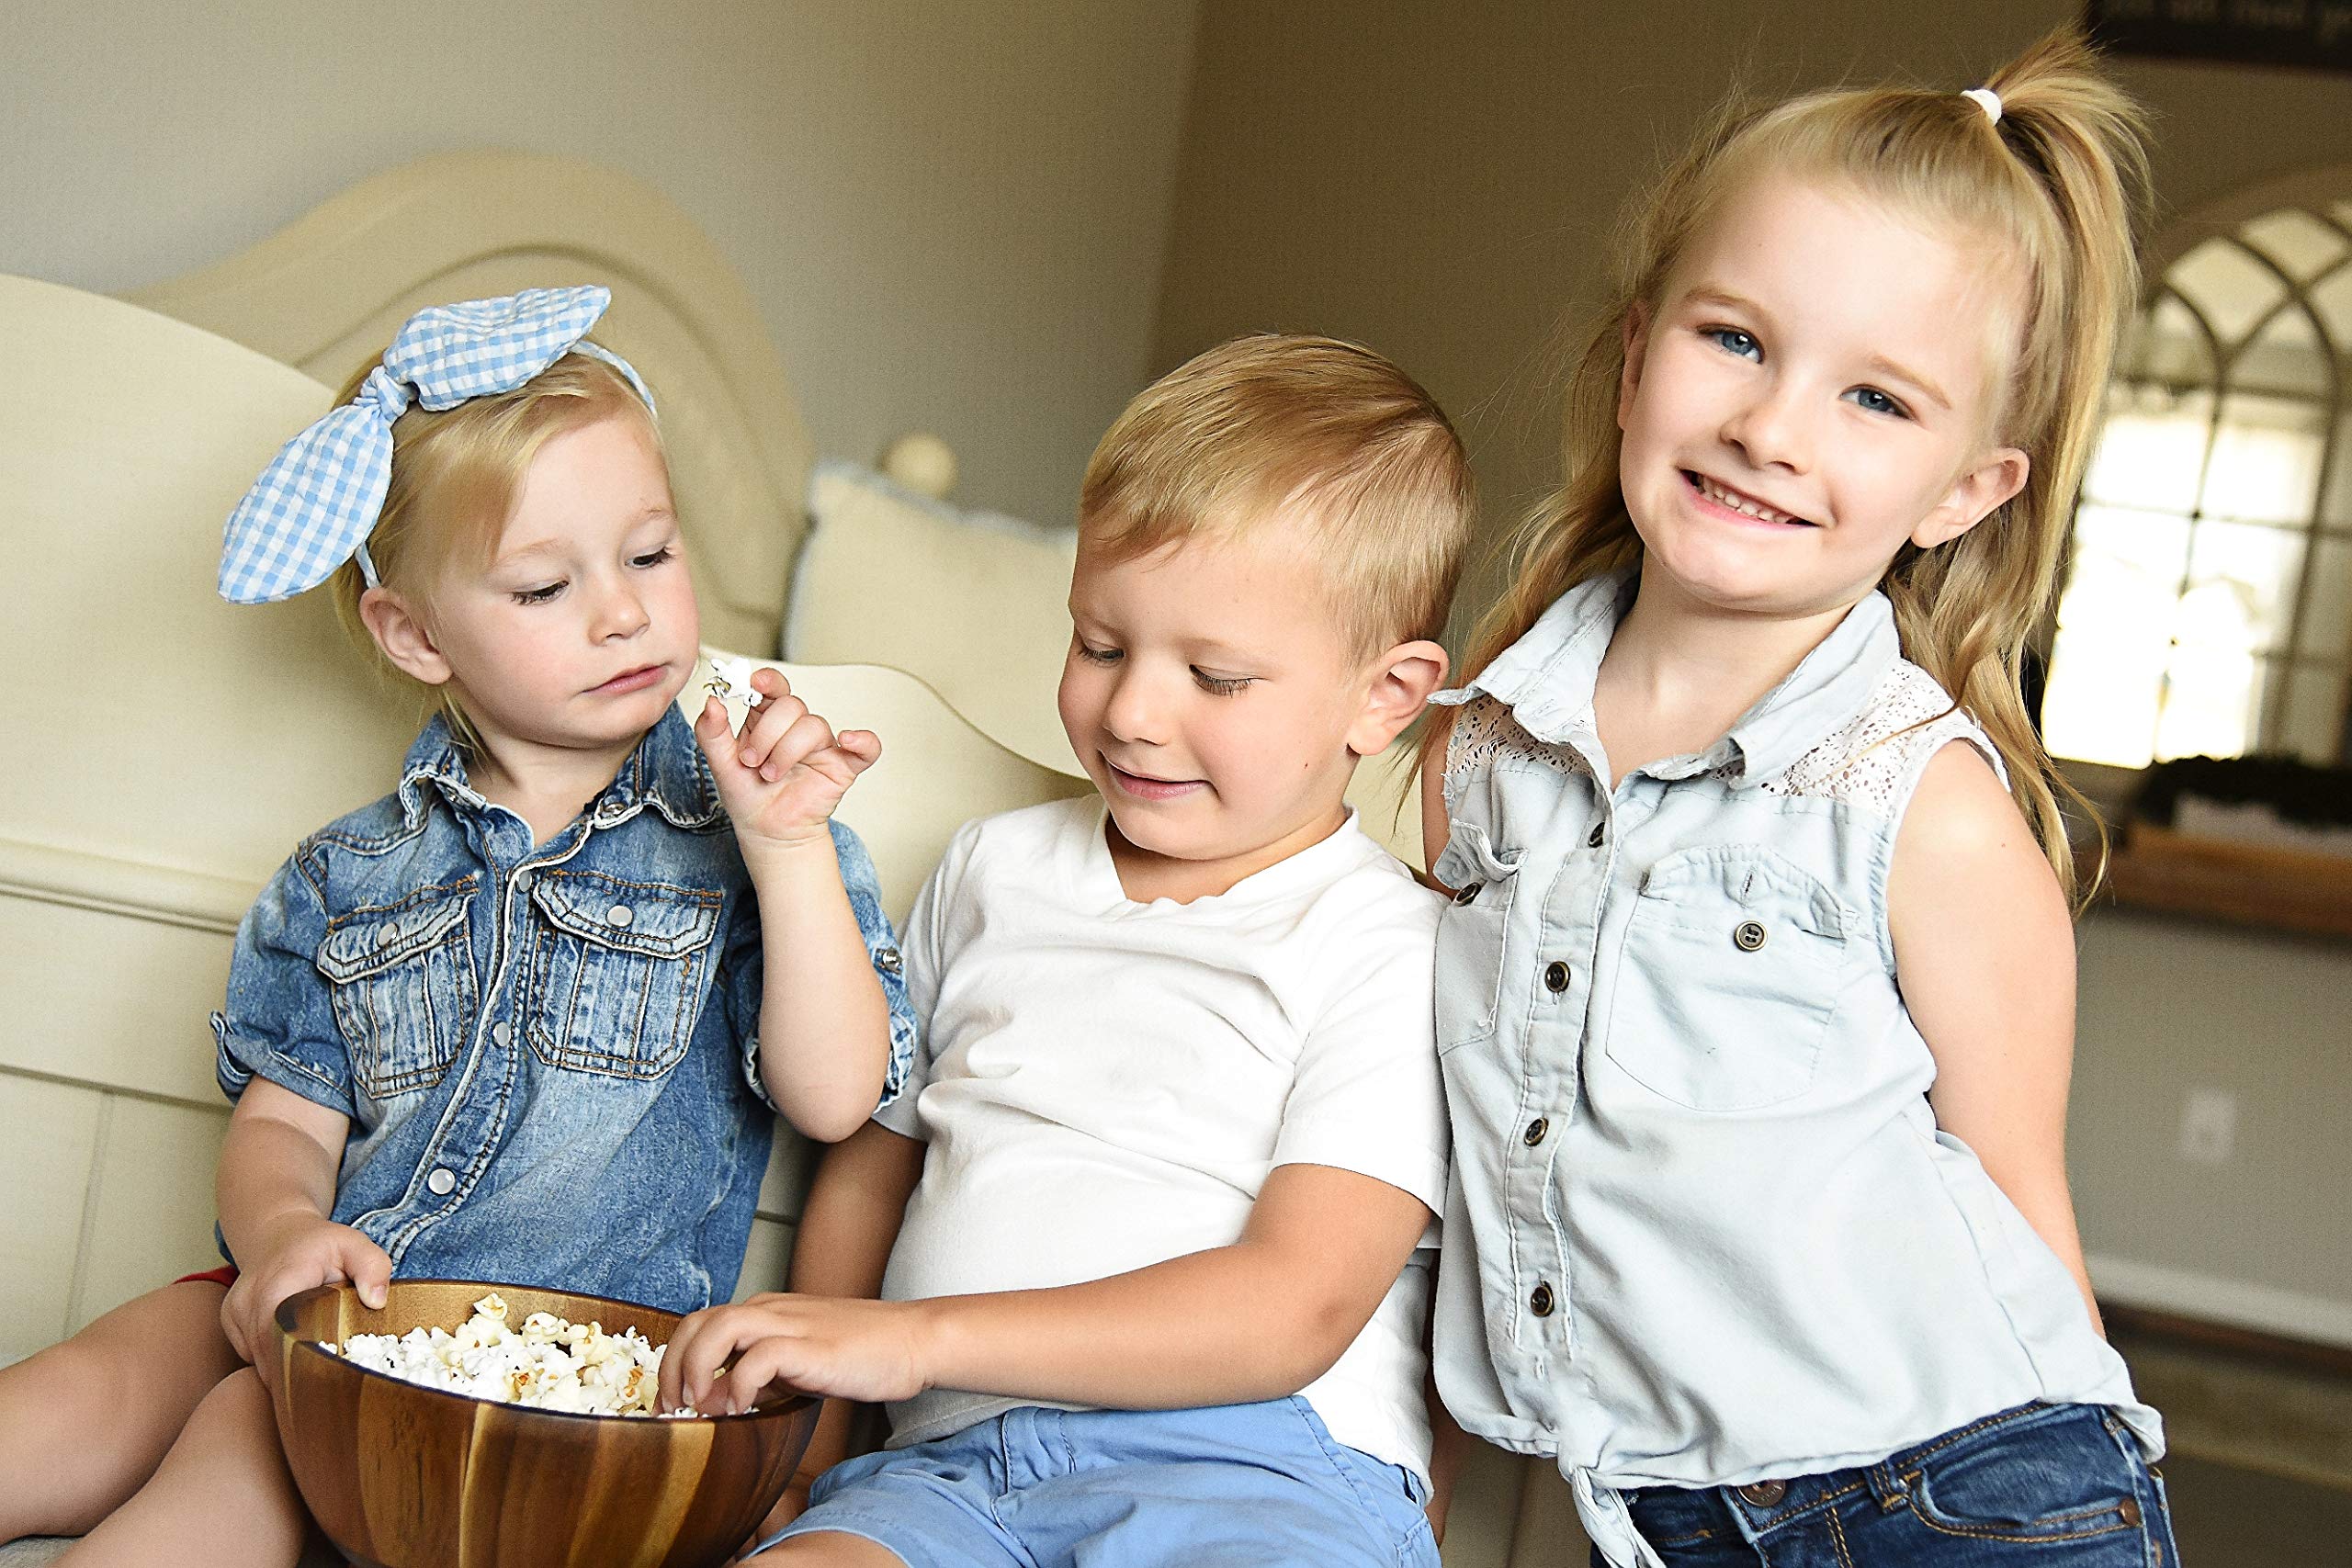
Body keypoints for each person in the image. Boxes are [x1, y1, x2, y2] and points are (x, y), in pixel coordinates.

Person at [1416, 29, 2177, 1568]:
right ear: (1636, 358)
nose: (1773, 429)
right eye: (1736, 341)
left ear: (1968, 489)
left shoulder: (1922, 807)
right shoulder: (1473, 756)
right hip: (1669, 1520)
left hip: (1975, 1496)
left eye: (1877, 401)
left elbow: (2023, 1198)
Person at [0, 288, 914, 1567]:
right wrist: (277, 1243)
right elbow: (282, 1126)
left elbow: (837, 1098)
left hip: (564, 1388)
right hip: (340, 1309)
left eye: (650, 555)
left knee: (234, 1454)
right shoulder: (350, 874)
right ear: (416, 634)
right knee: (80, 1395)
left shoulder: (760, 837)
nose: (621, 611)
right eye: (545, 586)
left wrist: (786, 848)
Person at [660, 333, 1476, 1568]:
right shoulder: (992, 871)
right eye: (1101, 644)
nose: (1134, 711)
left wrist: (920, 1342)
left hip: (1253, 1466)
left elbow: (1294, 1303)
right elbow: (874, 1167)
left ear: (1384, 696)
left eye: (1215, 675)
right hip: (938, 1475)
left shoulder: (1391, 944)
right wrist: (816, 1445)